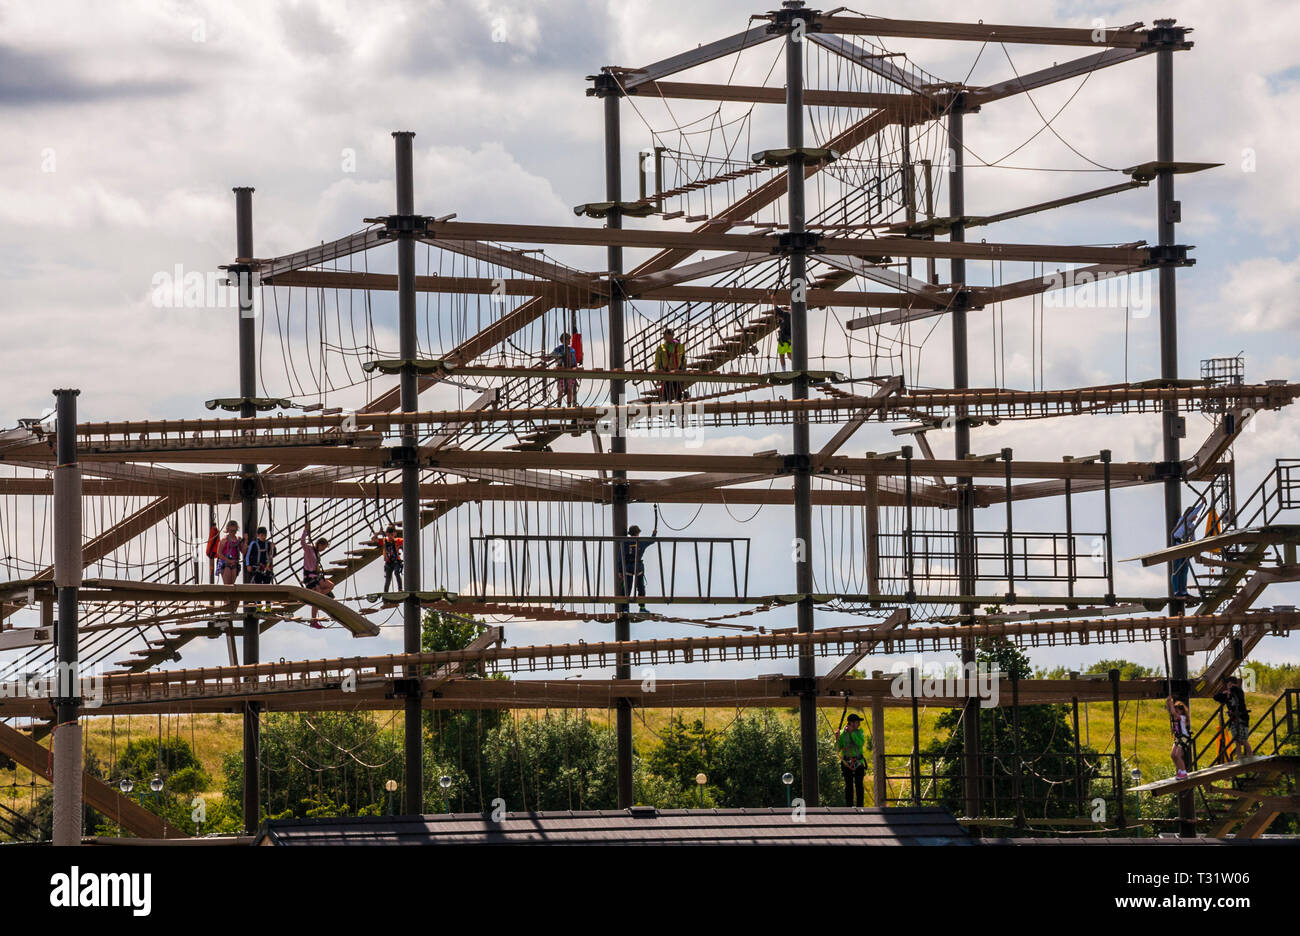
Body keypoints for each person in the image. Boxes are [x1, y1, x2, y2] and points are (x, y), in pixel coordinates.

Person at [619, 521, 657, 613]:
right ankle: (642, 608)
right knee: (641, 588)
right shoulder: (641, 542)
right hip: (638, 567)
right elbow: (652, 540)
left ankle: (625, 608)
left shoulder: (624, 542)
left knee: (626, 589)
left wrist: (619, 571)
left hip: (627, 567)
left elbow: (620, 557)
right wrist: (654, 534)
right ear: (637, 533)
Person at [1213, 674, 1254, 759]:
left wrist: (1229, 690)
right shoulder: (1228, 693)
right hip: (1233, 719)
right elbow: (1216, 697)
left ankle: (1250, 756)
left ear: (1231, 683)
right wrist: (1224, 692)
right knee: (1236, 740)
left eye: (1228, 684)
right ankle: (1239, 757)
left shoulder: (1238, 691)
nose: (1228, 687)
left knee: (1243, 739)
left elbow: (1234, 689)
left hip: (1242, 717)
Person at [1169, 503, 1203, 599]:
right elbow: (1193, 513)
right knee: (1177, 569)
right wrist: (1202, 503)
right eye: (1194, 515)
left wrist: (1194, 549)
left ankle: (1183, 591)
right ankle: (1176, 591)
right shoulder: (1183, 520)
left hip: (1185, 547)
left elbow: (1193, 538)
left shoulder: (1191, 525)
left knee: (1184, 570)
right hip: (1177, 545)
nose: (1196, 517)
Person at [837, 712, 868, 807]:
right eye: (857, 722)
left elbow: (860, 743)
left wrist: (852, 734)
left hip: (859, 762)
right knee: (849, 785)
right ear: (851, 723)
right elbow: (838, 748)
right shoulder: (842, 733)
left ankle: (860, 806)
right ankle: (849, 806)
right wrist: (837, 738)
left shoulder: (860, 732)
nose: (859, 724)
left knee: (859, 785)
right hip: (847, 762)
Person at [302, 518, 334, 598]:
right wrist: (305, 531)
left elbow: (316, 566)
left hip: (316, 576)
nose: (323, 549)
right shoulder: (309, 549)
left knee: (331, 585)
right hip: (309, 576)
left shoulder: (318, 554)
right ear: (319, 544)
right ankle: (319, 596)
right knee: (318, 591)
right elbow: (302, 542)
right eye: (323, 547)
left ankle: (321, 596)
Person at [655, 327, 687, 402]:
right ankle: (667, 404)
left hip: (677, 372)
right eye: (666, 336)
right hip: (666, 372)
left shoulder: (679, 346)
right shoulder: (661, 348)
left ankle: (678, 404)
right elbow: (658, 362)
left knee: (677, 391)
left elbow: (683, 359)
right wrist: (658, 375)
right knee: (666, 391)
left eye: (670, 335)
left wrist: (683, 371)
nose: (667, 338)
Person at [548, 332, 579, 407]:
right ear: (563, 340)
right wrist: (546, 358)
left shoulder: (572, 350)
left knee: (569, 390)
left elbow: (574, 361)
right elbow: (551, 356)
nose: (569, 341)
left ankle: (569, 404)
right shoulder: (559, 349)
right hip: (561, 371)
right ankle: (559, 404)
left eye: (569, 340)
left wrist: (575, 368)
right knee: (561, 389)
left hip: (570, 370)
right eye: (568, 340)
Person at [371, 524, 404, 592]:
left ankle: (400, 589)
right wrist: (378, 533)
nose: (390, 537)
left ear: (394, 534)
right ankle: (386, 592)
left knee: (397, 573)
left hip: (396, 561)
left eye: (392, 535)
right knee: (388, 578)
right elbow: (373, 539)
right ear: (386, 534)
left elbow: (406, 540)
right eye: (389, 535)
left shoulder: (397, 540)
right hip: (388, 562)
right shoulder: (384, 540)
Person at [1166, 696, 1193, 779]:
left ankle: (1184, 772)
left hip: (1184, 738)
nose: (1175, 713)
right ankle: (1180, 770)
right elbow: (1171, 712)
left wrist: (1170, 704)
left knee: (1178, 755)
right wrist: (1168, 702)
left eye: (1177, 711)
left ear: (1181, 711)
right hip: (1178, 738)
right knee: (1173, 755)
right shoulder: (1176, 718)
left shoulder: (1182, 717)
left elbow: (1173, 713)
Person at [214, 521, 244, 586]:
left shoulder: (238, 540)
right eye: (231, 531)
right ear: (228, 530)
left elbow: (243, 551)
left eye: (234, 531)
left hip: (234, 562)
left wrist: (245, 541)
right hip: (225, 563)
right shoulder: (224, 540)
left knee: (232, 585)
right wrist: (229, 560)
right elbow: (219, 553)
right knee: (227, 585)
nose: (233, 532)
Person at [768, 291, 792, 371]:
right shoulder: (793, 316)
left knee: (782, 355)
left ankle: (784, 370)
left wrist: (773, 299)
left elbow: (776, 308)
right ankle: (798, 365)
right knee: (789, 355)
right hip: (791, 339)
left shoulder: (785, 314)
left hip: (784, 339)